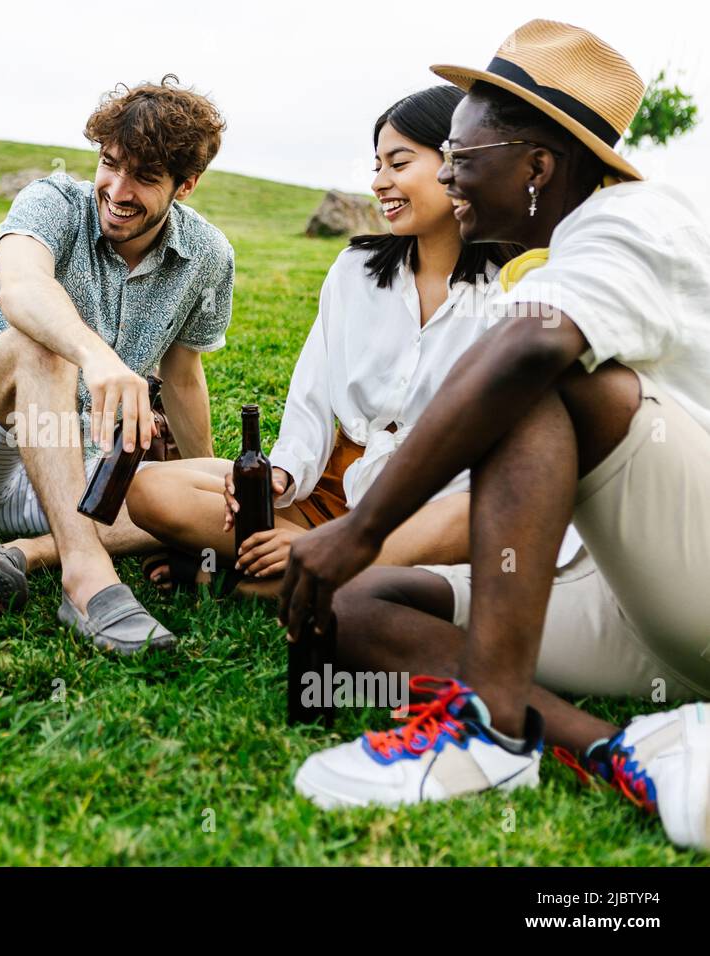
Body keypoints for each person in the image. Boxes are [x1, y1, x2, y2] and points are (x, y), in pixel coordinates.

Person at [286, 20, 710, 853]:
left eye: (461, 158)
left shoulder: (638, 218)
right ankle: (632, 748)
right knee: (358, 604)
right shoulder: (558, 257)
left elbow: (530, 353)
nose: (448, 176)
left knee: (544, 376)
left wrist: (360, 529)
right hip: (636, 604)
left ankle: (488, 733)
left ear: (538, 166)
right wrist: (359, 559)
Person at [127, 86, 517, 597]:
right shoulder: (355, 272)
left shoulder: (512, 291)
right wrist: (283, 474)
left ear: (456, 164)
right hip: (333, 489)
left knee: (482, 522)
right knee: (152, 488)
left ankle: (284, 571)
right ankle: (299, 569)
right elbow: (310, 399)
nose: (379, 183)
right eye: (377, 165)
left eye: (398, 163)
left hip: (431, 510)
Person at [0, 76, 234, 654]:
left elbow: (181, 377)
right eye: (111, 164)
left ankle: (22, 553)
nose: (118, 190)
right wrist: (97, 357)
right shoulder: (51, 201)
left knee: (224, 481)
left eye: (146, 178)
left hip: (60, 467)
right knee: (41, 340)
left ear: (186, 186)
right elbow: (22, 291)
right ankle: (85, 579)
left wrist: (192, 517)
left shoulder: (208, 255)